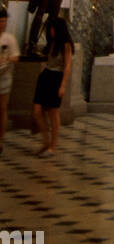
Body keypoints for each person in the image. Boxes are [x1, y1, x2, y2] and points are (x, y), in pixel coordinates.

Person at [32, 15, 73, 157]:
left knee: (53, 113)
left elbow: (67, 66)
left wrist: (63, 85)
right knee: (37, 111)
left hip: (56, 77)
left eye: (52, 28)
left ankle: (53, 146)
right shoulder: (52, 43)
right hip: (46, 76)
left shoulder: (65, 45)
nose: (50, 31)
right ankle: (45, 140)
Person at [0, 7, 20, 156]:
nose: (3, 24)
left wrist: (7, 58)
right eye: (1, 21)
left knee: (2, 108)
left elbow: (15, 56)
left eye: (5, 21)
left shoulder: (9, 39)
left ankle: (0, 139)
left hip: (4, 77)